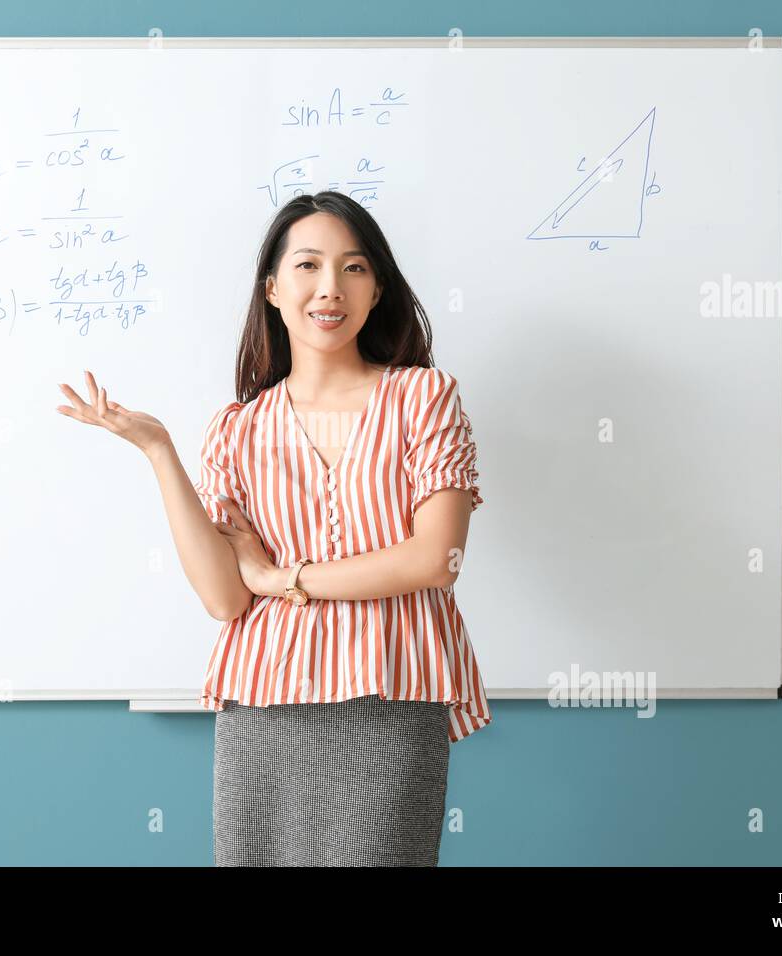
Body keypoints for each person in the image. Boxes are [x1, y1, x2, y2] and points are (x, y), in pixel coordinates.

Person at [55, 191, 490, 866]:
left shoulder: (423, 398)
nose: (329, 288)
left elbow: (436, 559)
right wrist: (159, 449)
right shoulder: (237, 429)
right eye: (308, 266)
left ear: (377, 290)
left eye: (353, 268)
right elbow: (227, 599)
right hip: (264, 700)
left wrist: (282, 579)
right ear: (273, 289)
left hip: (390, 695)